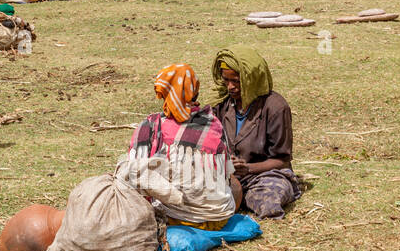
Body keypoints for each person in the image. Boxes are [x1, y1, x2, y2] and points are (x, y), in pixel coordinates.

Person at [119, 64, 235, 228]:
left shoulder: (150, 126)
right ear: (195, 91)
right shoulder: (213, 123)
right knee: (235, 186)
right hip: (217, 219)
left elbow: (135, 177)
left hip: (173, 219)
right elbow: (227, 175)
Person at [210, 47, 300, 218]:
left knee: (269, 201)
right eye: (226, 80)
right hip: (227, 175)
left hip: (264, 176)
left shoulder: (275, 107)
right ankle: (235, 197)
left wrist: (248, 168)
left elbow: (282, 160)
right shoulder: (222, 106)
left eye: (236, 81)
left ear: (251, 79)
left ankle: (238, 198)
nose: (230, 87)